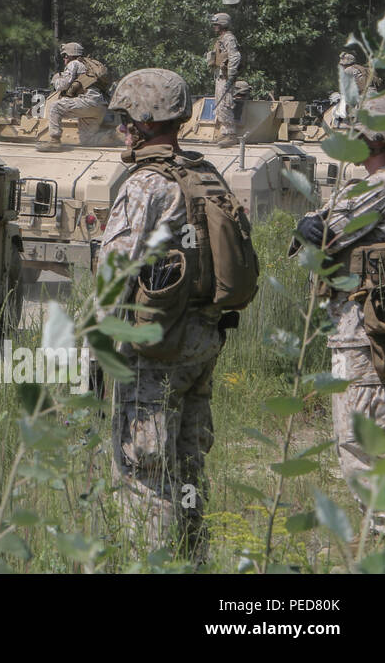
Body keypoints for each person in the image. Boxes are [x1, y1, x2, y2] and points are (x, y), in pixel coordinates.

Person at [101, 68, 240, 555]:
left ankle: (154, 565)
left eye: (124, 120)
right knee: (188, 464)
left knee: (145, 473)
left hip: (154, 350)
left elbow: (111, 272)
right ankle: (194, 560)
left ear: (142, 121)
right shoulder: (205, 173)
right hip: (203, 339)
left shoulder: (147, 184)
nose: (121, 130)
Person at [295, 91, 385, 533]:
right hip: (366, 326)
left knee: (362, 435)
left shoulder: (382, 184)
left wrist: (314, 224)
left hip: (364, 332)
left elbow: (326, 229)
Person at [36, 42, 111, 151]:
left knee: (55, 107)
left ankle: (54, 141)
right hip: (100, 106)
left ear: (69, 55)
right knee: (88, 140)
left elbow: (64, 85)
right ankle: (115, 136)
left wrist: (56, 80)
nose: (64, 59)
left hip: (87, 102)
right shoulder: (89, 65)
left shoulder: (74, 64)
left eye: (64, 56)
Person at [205, 12, 244, 147]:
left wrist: (232, 75)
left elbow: (235, 57)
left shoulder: (229, 38)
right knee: (220, 105)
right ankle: (225, 132)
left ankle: (231, 135)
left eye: (216, 24)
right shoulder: (221, 39)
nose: (214, 27)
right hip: (220, 76)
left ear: (223, 24)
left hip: (226, 76)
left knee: (225, 104)